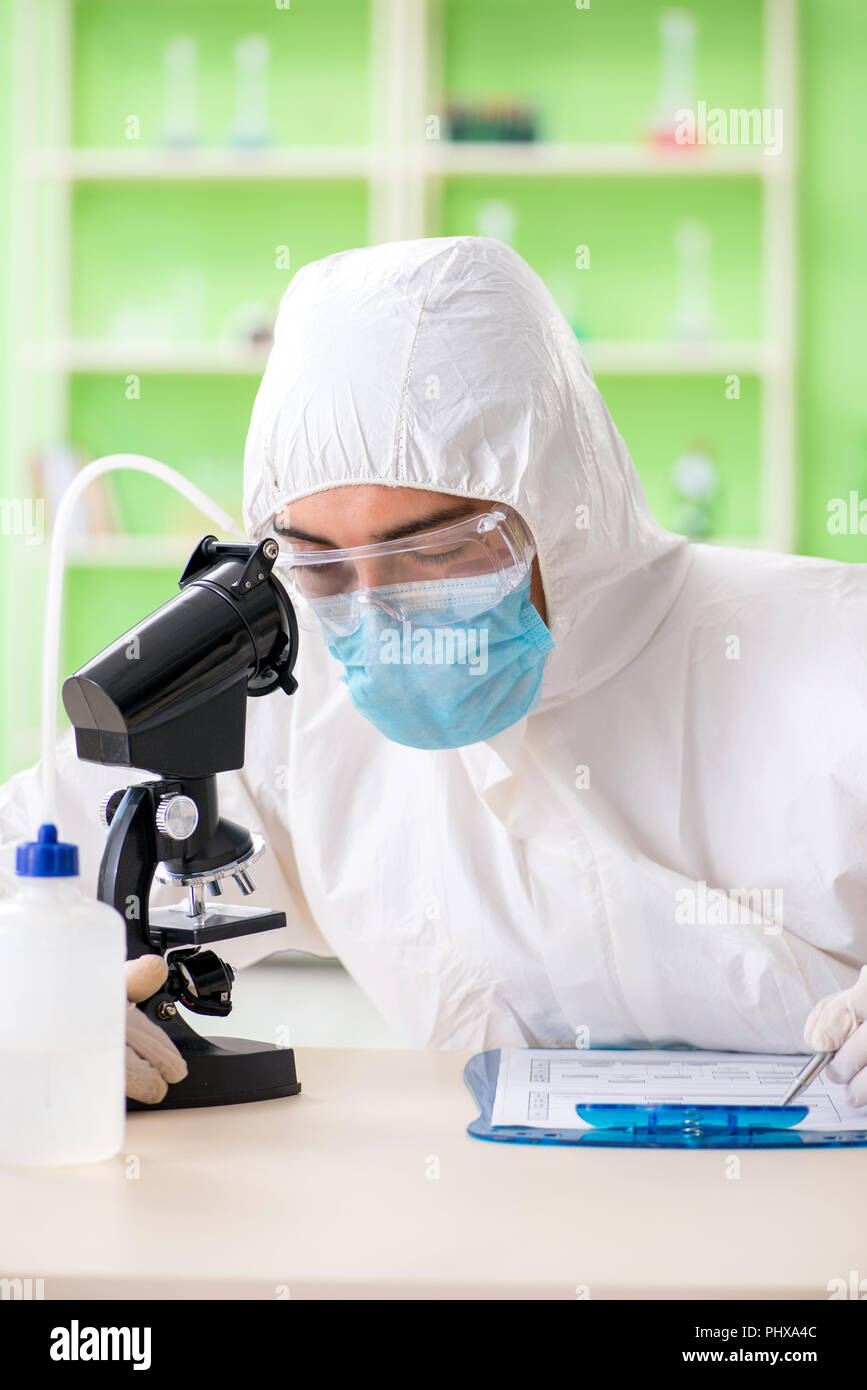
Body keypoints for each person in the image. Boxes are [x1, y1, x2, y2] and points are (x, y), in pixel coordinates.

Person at [1, 235, 866, 1106]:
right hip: (492, 1222)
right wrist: (32, 996)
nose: (376, 615)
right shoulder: (298, 717)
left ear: (560, 511)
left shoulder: (828, 657)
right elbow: (26, 855)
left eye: (433, 552)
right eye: (324, 566)